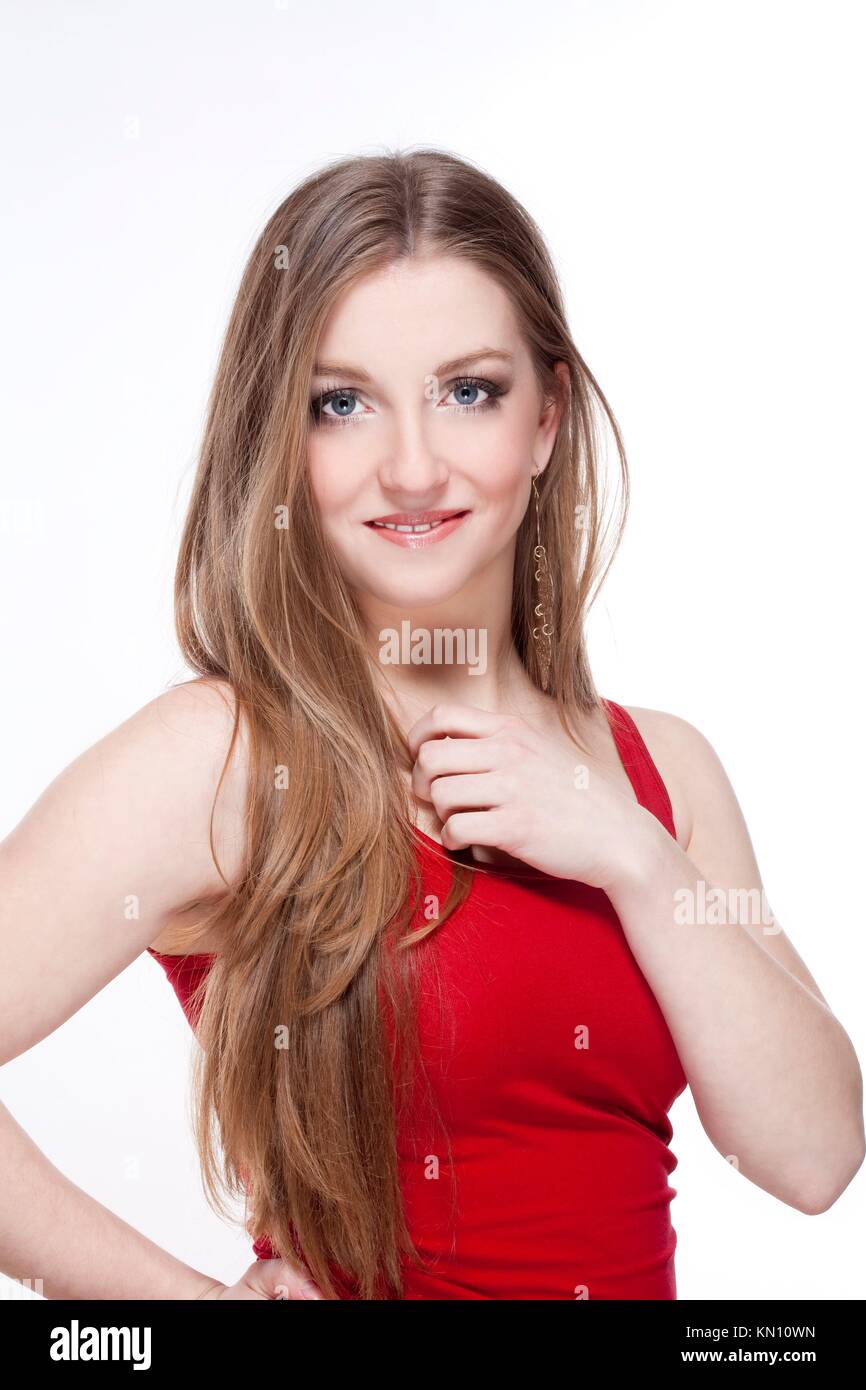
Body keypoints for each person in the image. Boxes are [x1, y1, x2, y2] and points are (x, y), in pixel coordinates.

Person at [2, 148, 862, 1302]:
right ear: (284, 442)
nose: (411, 467)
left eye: (468, 391)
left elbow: (811, 1156)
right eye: (341, 402)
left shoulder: (663, 771)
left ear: (546, 417)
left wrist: (624, 848)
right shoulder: (224, 756)